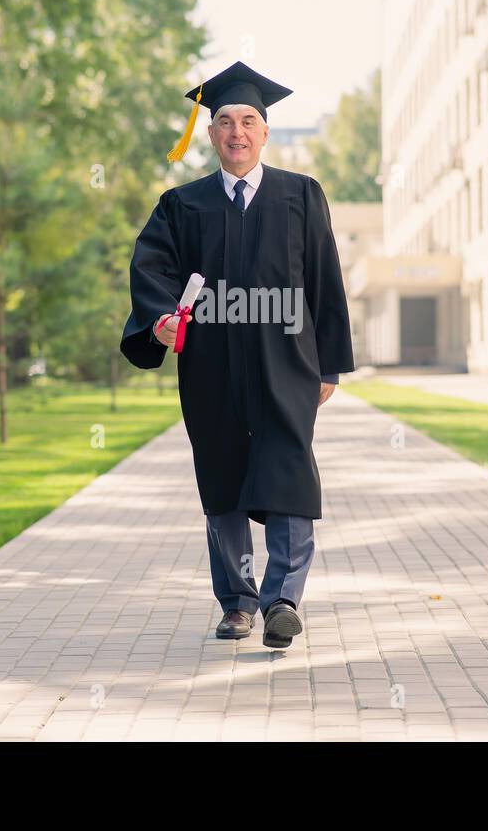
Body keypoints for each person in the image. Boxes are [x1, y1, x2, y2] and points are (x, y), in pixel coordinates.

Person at [119, 60, 354, 649]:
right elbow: (152, 273)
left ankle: (282, 599)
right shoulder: (181, 205)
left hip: (287, 365)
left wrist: (328, 364)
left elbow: (324, 279)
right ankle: (237, 603)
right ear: (210, 134)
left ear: (266, 132)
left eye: (249, 121)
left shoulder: (301, 196)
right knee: (221, 480)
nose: (237, 133)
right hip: (213, 370)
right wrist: (160, 323)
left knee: (290, 473)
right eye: (224, 121)